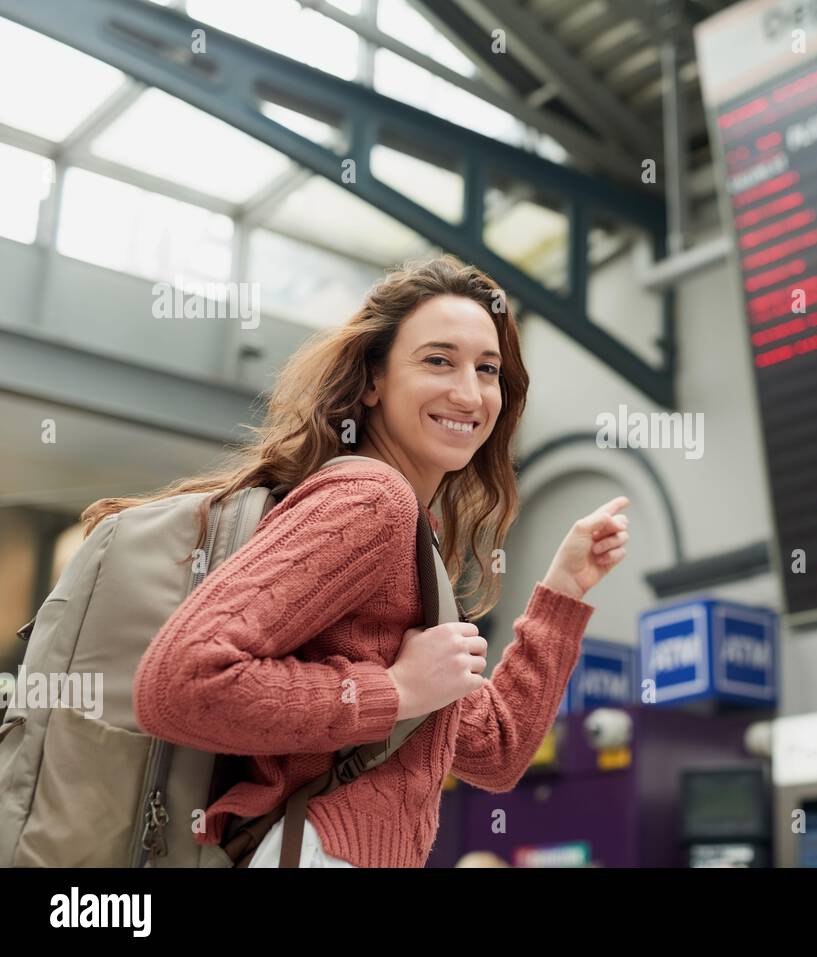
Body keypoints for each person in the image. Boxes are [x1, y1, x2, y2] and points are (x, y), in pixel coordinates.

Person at [83, 254, 631, 867]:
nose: (469, 392)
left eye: (488, 369)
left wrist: (564, 589)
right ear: (373, 380)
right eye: (438, 361)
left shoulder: (402, 530)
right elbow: (181, 684)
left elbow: (497, 751)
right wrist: (393, 690)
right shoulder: (371, 501)